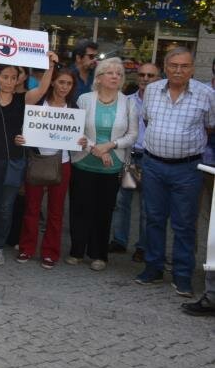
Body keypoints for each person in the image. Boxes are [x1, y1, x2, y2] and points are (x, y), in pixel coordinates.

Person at [135, 48, 215, 298]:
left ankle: (182, 275)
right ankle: (153, 267)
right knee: (154, 218)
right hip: (154, 165)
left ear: (192, 69)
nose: (179, 70)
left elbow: (210, 126)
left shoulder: (206, 95)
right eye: (174, 65)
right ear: (165, 66)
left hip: (188, 168)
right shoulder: (152, 91)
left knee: (184, 223)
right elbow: (148, 121)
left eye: (185, 66)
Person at [0, 49, 57, 265]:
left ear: (18, 79)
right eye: (4, 77)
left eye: (13, 77)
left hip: (15, 161)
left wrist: (50, 66)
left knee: (6, 206)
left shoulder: (23, 99)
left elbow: (42, 89)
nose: (9, 82)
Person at [69, 57, 138, 271]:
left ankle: (99, 254)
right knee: (80, 208)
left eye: (119, 73)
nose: (116, 76)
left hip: (113, 165)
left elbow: (133, 134)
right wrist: (94, 148)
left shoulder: (128, 102)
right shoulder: (85, 99)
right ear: (98, 78)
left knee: (104, 210)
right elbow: (76, 129)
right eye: (110, 72)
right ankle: (77, 250)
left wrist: (110, 145)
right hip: (83, 162)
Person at [15, 67, 77, 269]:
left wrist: (81, 141)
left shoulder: (74, 109)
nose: (64, 87)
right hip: (37, 161)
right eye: (61, 82)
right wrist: (21, 138)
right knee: (31, 208)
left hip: (62, 163)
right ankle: (27, 248)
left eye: (68, 83)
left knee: (56, 211)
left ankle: (50, 252)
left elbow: (77, 137)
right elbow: (25, 129)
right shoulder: (38, 103)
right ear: (52, 82)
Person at [109, 62, 159, 261]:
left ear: (158, 78)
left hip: (151, 158)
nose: (145, 79)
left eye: (151, 75)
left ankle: (143, 247)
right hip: (131, 157)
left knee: (148, 206)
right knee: (123, 201)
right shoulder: (127, 101)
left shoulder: (161, 102)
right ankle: (120, 240)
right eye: (142, 75)